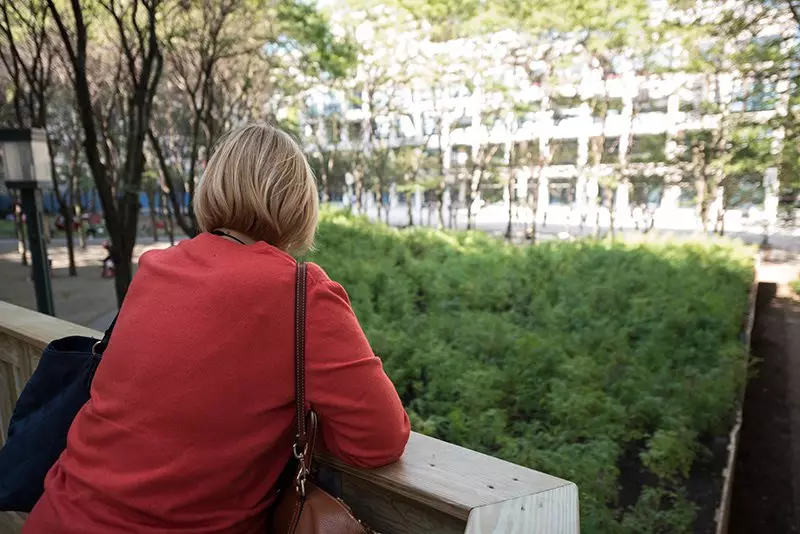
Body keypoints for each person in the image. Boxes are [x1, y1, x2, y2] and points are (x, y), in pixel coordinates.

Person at [24, 124, 411, 534]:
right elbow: (379, 440)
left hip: (56, 514)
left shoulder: (157, 267)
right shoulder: (301, 293)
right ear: (299, 204)